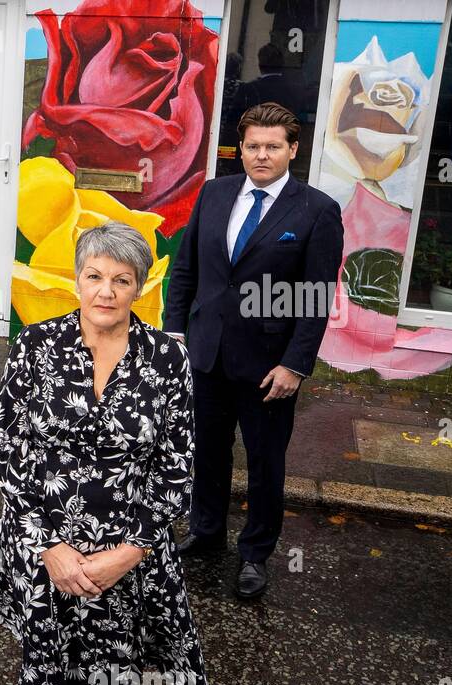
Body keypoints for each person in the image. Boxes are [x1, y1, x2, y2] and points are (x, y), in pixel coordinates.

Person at [0, 221, 211, 685]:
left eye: (122, 279)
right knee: (43, 667)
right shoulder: (33, 347)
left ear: (139, 287)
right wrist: (50, 548)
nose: (106, 290)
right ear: (76, 279)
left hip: (127, 548)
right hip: (44, 543)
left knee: (109, 669)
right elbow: (11, 454)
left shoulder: (168, 357)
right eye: (95, 276)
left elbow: (176, 464)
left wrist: (130, 552)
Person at [164, 102, 343, 598]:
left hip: (269, 369)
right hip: (206, 357)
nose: (262, 155)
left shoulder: (316, 210)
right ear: (239, 149)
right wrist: (176, 333)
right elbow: (187, 270)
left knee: (265, 463)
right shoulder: (214, 193)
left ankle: (255, 554)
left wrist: (295, 364)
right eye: (253, 146)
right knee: (207, 452)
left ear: (292, 149)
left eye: (272, 146)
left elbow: (316, 297)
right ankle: (205, 532)